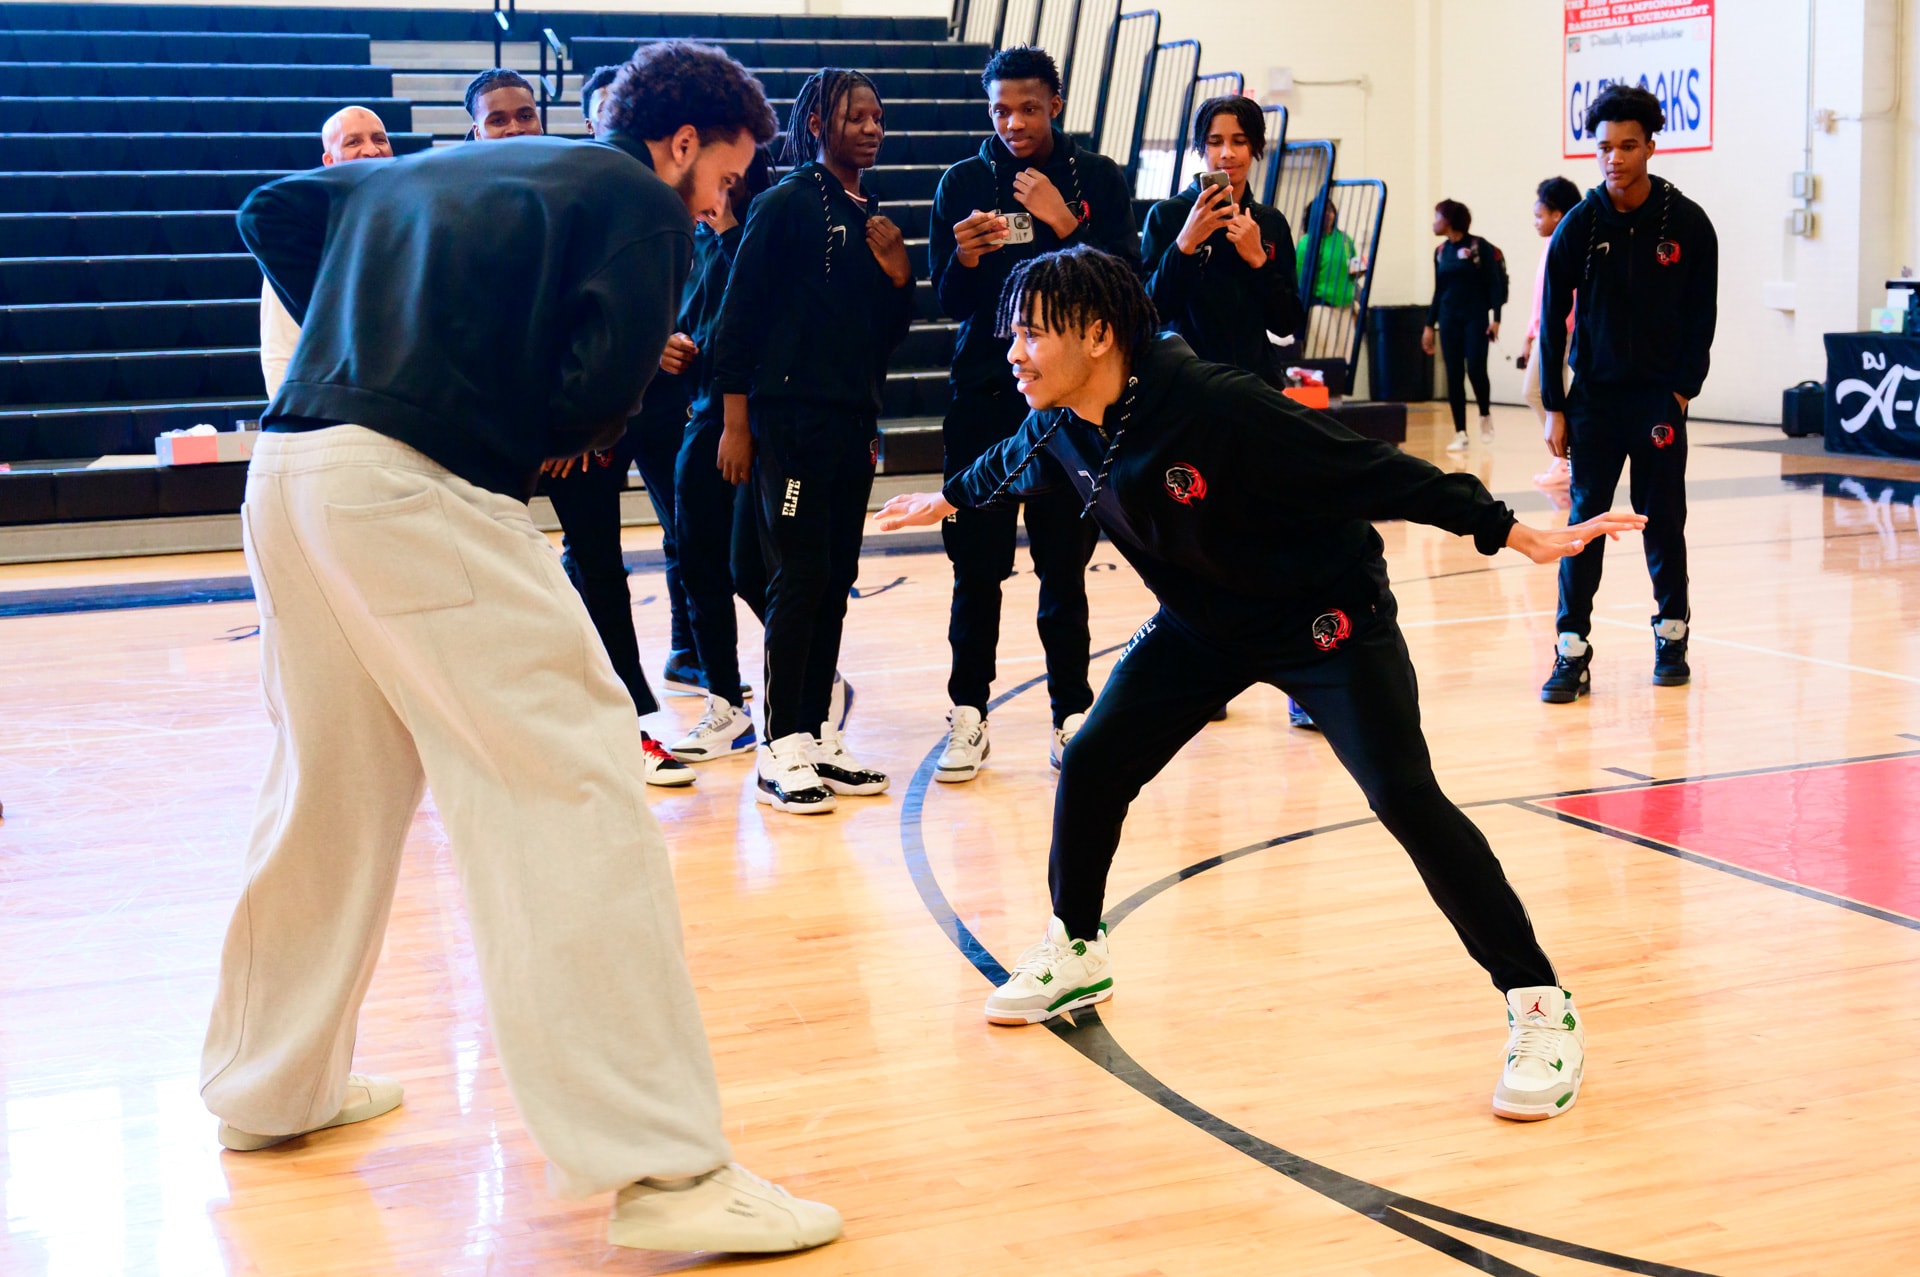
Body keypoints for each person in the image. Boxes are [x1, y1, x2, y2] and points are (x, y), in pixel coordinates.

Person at [208, 41, 842, 1253]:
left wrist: (378, 328)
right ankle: (671, 1174)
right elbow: (599, 394)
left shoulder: (467, 167)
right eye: (723, 181)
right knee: (574, 782)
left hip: (288, 474)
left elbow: (272, 210)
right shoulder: (639, 208)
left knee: (325, 789)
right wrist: (528, 415)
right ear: (678, 144)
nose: (721, 208)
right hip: (410, 485)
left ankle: (266, 1087)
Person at [876, 246, 1645, 1120]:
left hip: (1326, 621)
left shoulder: (1218, 404)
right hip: (1204, 625)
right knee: (1092, 760)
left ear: (1095, 335)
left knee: (1405, 796)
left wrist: (1512, 532)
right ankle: (1076, 947)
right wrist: (947, 499)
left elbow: (1373, 469)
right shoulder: (1061, 419)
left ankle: (1539, 1002)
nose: (1013, 350)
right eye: (1013, 331)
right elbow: (1013, 454)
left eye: (1031, 333)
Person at [469, 64, 698, 786]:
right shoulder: (462, 198)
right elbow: (485, 330)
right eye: (498, 118)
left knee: (602, 567)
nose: (513, 127)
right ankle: (489, 727)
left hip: (574, 426)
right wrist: (543, 425)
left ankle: (629, 718)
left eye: (524, 114)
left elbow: (594, 303)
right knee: (477, 579)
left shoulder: (574, 187)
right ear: (474, 129)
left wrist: (579, 417)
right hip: (498, 428)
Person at [928, 45, 1140, 783]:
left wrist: (1063, 222)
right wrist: (963, 257)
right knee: (975, 570)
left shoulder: (1099, 178)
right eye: (999, 109)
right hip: (984, 398)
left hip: (1071, 406)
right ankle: (967, 713)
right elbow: (949, 300)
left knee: (1063, 566)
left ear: (1055, 103)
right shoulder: (962, 181)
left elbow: (1125, 288)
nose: (1013, 122)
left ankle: (1070, 711)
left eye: (1027, 106)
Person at [708, 69, 915, 814]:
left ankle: (820, 733)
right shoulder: (785, 203)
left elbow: (888, 334)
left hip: (852, 422)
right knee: (796, 577)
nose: (870, 126)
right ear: (818, 124)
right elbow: (738, 320)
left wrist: (899, 277)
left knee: (833, 577)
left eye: (877, 116)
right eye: (854, 115)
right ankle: (779, 745)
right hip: (787, 423)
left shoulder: (875, 212)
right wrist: (737, 423)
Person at [1538, 84, 1717, 703]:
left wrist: (1683, 392)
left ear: (1650, 147)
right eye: (1605, 147)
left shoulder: (1688, 223)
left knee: (1662, 518)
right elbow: (1550, 311)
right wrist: (1555, 406)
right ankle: (1570, 650)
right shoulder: (1580, 226)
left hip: (1657, 403)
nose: (1615, 158)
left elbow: (1702, 313)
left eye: (1627, 146)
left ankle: (1672, 637)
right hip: (1594, 401)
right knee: (1585, 522)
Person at [663, 145, 776, 763]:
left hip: (755, 420)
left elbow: (753, 317)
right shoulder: (687, 236)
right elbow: (683, 318)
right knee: (697, 561)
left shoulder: (761, 223)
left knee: (746, 566)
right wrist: (668, 345)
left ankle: (804, 671)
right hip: (700, 416)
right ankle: (725, 704)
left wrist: (730, 223)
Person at [1140, 94, 1303, 388]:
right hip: (1185, 385)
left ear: (1255, 147)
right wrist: (1185, 245)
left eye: (1239, 141)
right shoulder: (1168, 216)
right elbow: (1149, 312)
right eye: (1215, 142)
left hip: (1254, 385)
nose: (1227, 153)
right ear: (1201, 147)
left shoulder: (1270, 222)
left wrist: (1259, 261)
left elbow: (1287, 322)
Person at [258, 106, 393, 398]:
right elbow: (279, 351)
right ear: (329, 161)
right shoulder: (305, 238)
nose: (371, 150)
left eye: (379, 139)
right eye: (353, 142)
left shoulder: (417, 223)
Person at [1421, 199, 1507, 453]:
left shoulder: (1478, 246)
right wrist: (1429, 325)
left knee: (1477, 369)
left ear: (1448, 220)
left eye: (1437, 217)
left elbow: (1494, 285)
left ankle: (1484, 414)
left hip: (1475, 318)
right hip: (1448, 320)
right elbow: (1439, 290)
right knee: (1454, 375)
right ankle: (1460, 432)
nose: (1434, 222)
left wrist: (1497, 320)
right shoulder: (1440, 252)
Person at [1519, 177, 1581, 491]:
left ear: (1557, 215)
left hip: (1560, 332)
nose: (1535, 222)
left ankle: (1567, 459)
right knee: (1535, 392)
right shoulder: (1550, 243)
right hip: (1545, 332)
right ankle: (1565, 460)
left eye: (1539, 216)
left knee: (1536, 391)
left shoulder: (1570, 242)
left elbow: (1567, 298)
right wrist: (1531, 335)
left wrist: (1557, 331)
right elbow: (1540, 297)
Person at [1296, 199, 1362, 311]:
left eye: (1330, 210)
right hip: (1320, 304)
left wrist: (1361, 269)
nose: (1327, 214)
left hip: (1346, 304)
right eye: (1323, 210)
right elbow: (1299, 278)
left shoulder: (1345, 240)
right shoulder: (1307, 243)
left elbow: (1353, 271)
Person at [463, 66, 542, 139]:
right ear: (477, 133)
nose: (515, 130)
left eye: (526, 117)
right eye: (498, 121)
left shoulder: (553, 153)